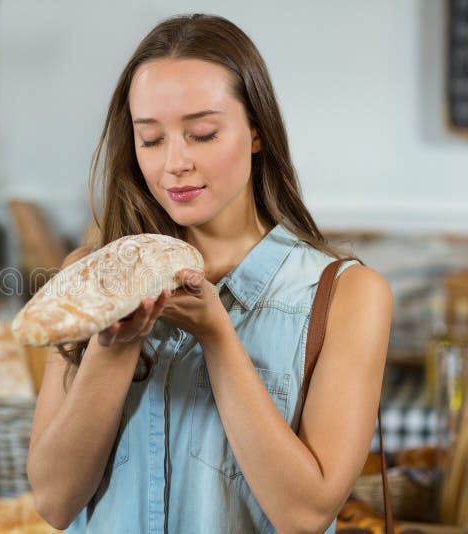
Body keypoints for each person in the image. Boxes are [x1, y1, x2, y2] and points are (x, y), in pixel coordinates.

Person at [26, 13, 392, 534]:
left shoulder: (349, 294)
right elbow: (54, 501)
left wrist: (216, 335)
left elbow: (306, 514)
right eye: (150, 139)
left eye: (201, 134)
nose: (174, 162)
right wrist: (115, 341)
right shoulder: (90, 275)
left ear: (257, 131)